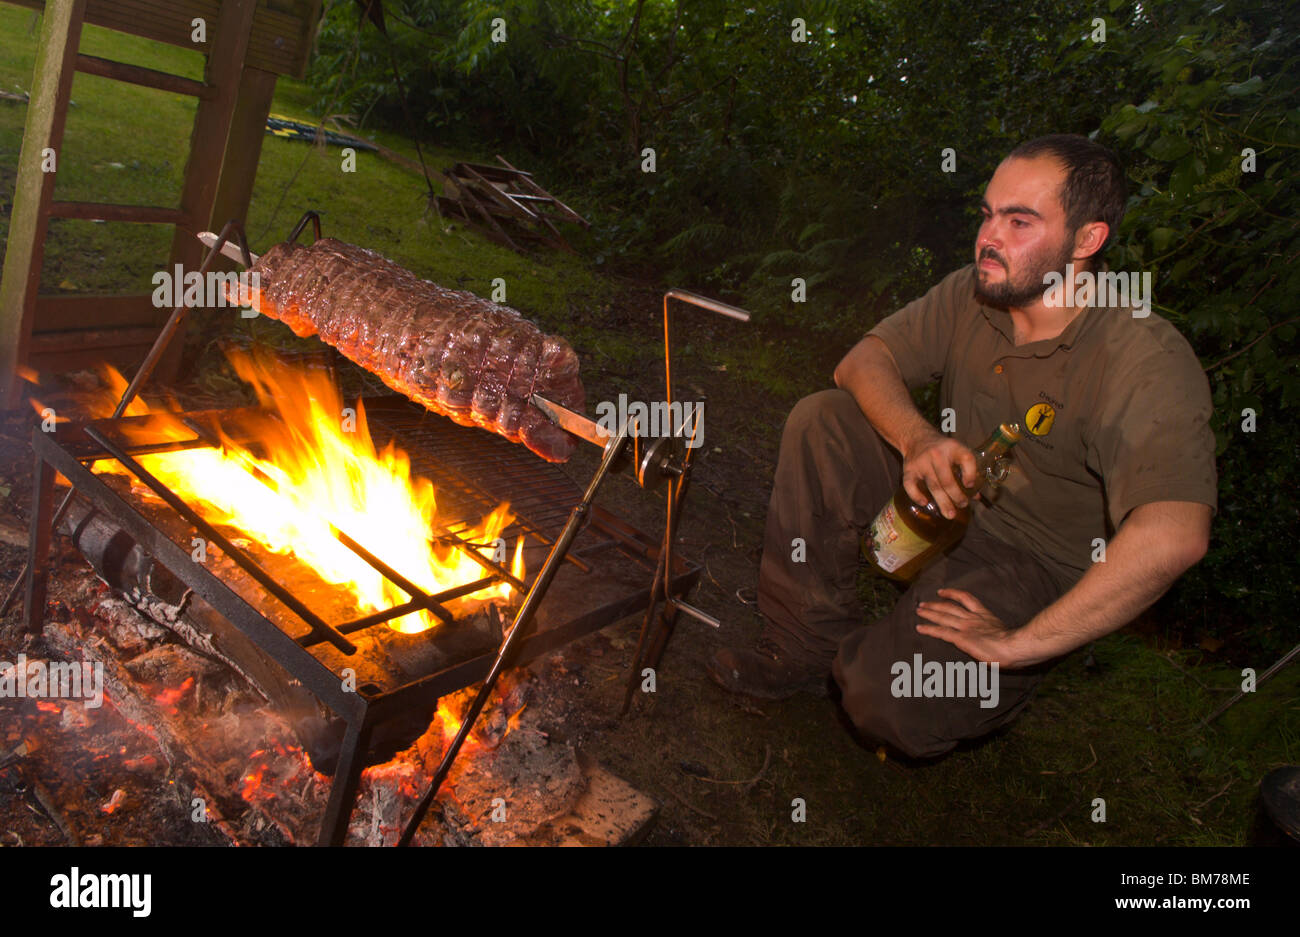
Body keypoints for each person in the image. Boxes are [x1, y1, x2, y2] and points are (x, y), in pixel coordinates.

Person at [706, 134, 1217, 759]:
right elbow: (862, 360)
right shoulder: (975, 293)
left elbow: (1174, 535)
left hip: (1032, 566)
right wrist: (918, 438)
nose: (988, 238)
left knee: (877, 695)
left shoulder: (1143, 358)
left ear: (1087, 241)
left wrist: (1018, 644)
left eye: (1020, 220)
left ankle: (989, 680)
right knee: (825, 420)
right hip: (949, 504)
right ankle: (801, 650)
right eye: (987, 213)